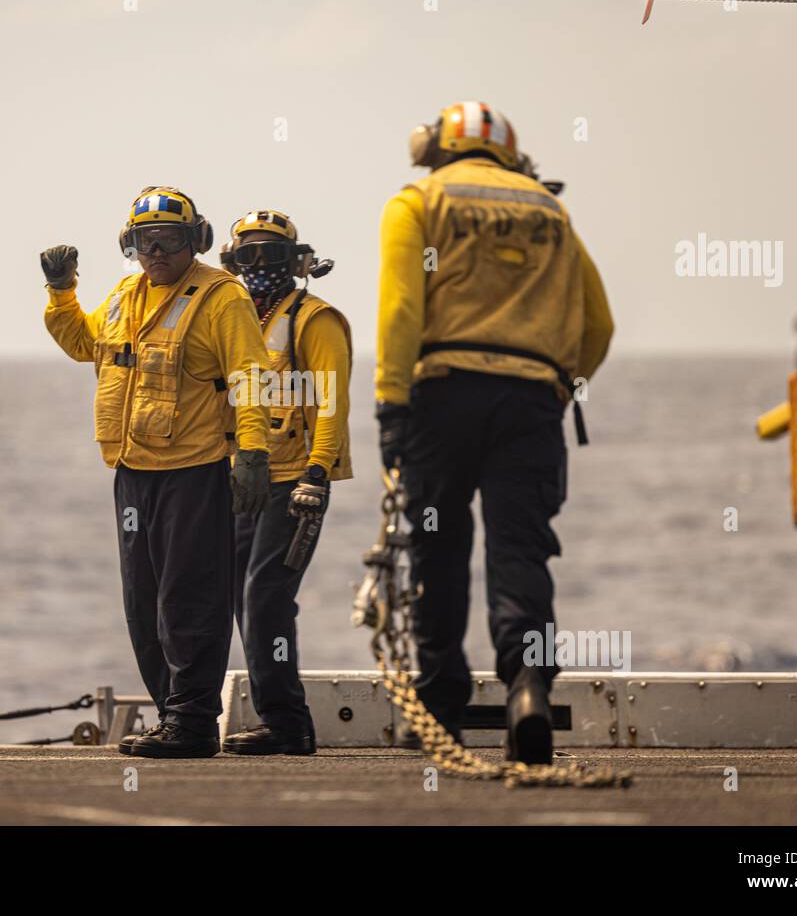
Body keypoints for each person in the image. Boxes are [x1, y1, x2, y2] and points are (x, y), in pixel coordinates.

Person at [375, 101, 614, 764]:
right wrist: (562, 382)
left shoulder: (417, 201)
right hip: (532, 402)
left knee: (437, 550)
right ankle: (529, 688)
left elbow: (400, 309)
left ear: (442, 147)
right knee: (521, 550)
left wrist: (391, 406)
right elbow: (599, 325)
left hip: (442, 396)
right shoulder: (550, 211)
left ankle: (441, 708)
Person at [41, 186, 271, 759]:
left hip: (193, 470)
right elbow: (83, 345)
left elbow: (249, 374)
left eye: (171, 239)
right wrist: (61, 292)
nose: (158, 249)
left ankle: (193, 722)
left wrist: (252, 454)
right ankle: (174, 715)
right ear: (130, 243)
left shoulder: (222, 298)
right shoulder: (125, 294)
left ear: (198, 242)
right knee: (143, 600)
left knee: (189, 597)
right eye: (146, 240)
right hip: (132, 469)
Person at [217, 210, 353, 755]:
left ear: (296, 262)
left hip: (297, 481)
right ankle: (279, 718)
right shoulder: (233, 318)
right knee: (240, 597)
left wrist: (317, 474)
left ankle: (287, 723)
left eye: (268, 255)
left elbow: (331, 403)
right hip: (242, 479)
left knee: (266, 595)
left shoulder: (315, 321)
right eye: (244, 255)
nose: (256, 267)